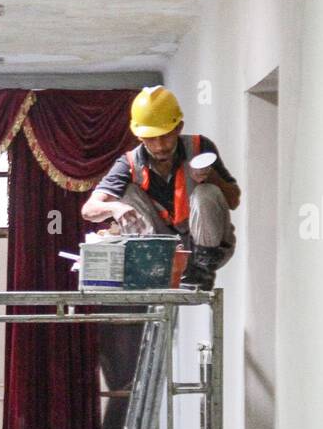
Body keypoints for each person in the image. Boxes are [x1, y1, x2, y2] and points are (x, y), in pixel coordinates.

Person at [81, 85, 240, 289]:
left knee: (206, 192)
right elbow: (89, 210)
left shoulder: (200, 147)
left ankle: (202, 270)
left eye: (165, 136)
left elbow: (233, 201)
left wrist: (211, 176)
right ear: (139, 136)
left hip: (206, 245)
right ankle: (150, 261)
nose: (159, 146)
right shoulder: (129, 163)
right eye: (151, 139)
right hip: (163, 250)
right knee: (126, 194)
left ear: (178, 128)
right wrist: (115, 207)